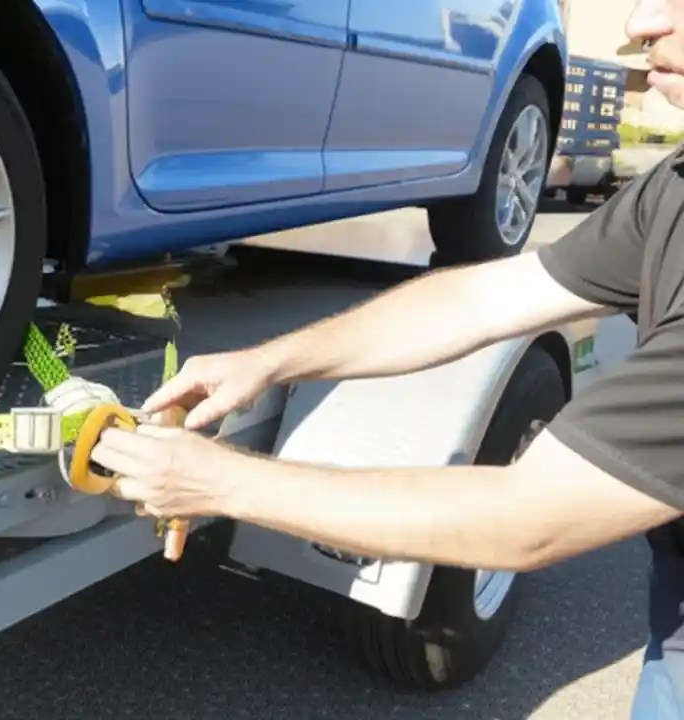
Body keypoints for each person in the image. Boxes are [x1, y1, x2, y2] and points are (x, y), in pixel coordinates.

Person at [90, 1, 684, 715]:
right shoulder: (674, 188)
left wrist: (218, 483)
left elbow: (527, 518)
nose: (643, 22)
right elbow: (484, 301)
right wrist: (269, 362)